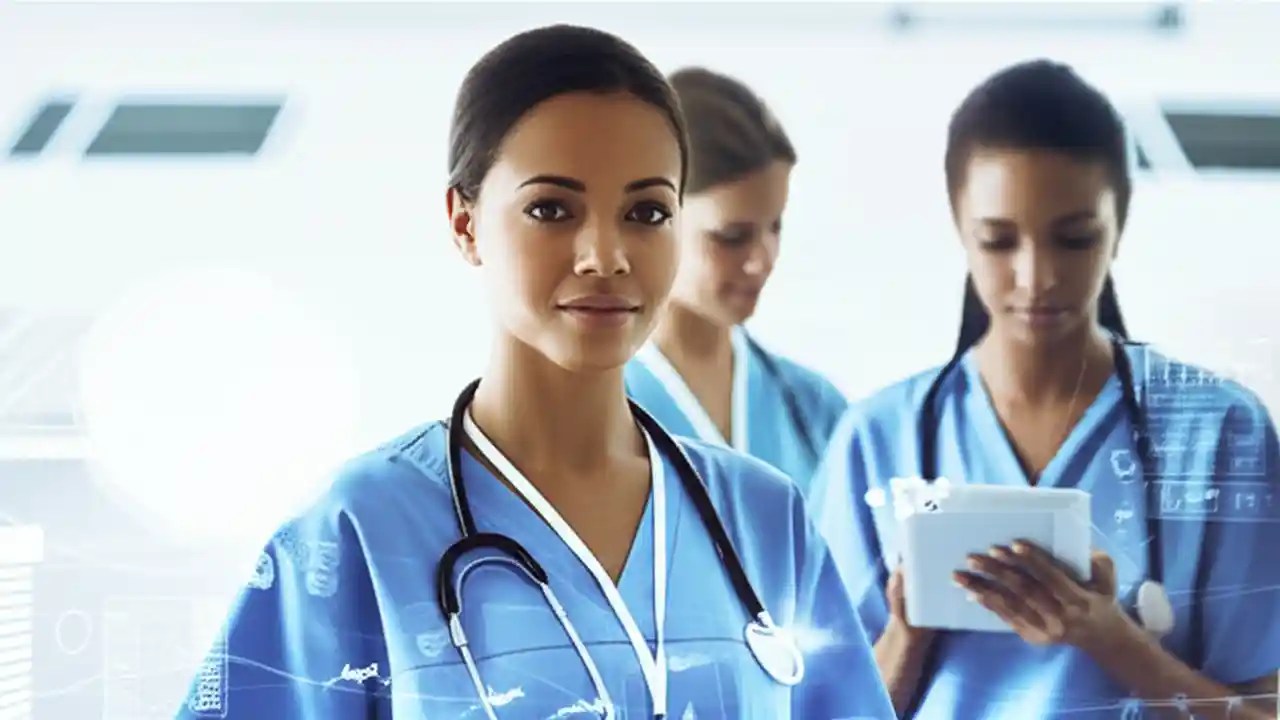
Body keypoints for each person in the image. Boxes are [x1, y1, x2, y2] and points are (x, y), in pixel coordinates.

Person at [174, 25, 893, 720]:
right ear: (465, 224)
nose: (605, 255)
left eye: (646, 212)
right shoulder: (358, 529)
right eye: (552, 209)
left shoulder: (766, 521)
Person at [811, 59, 1279, 719]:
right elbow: (820, 709)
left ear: (1120, 222)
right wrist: (908, 631)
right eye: (999, 242)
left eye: (1074, 239)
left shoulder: (1222, 434)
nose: (1036, 277)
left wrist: (1113, 640)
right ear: (959, 227)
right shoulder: (877, 439)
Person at [624, 67, 848, 495]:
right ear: (650, 218)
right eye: (732, 237)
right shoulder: (587, 411)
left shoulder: (813, 409)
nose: (762, 261)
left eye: (775, 227)